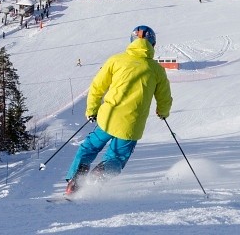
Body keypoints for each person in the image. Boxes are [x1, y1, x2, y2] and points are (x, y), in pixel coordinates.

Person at [64, 25, 173, 194]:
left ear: (131, 41)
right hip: (131, 125)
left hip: (108, 118)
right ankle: (100, 174)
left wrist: (92, 109)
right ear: (153, 45)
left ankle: (75, 181)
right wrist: (163, 112)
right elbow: (164, 97)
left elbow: (97, 87)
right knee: (117, 158)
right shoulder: (157, 70)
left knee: (89, 148)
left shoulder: (115, 60)